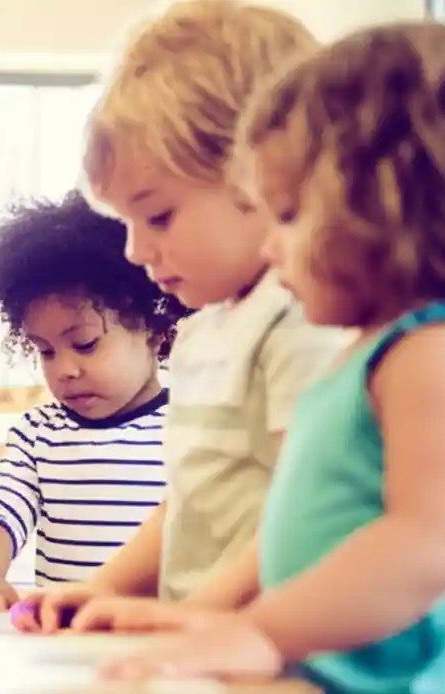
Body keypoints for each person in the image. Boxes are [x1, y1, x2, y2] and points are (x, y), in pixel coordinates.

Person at [100, 22, 445, 694]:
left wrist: (262, 630)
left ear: (383, 206)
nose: (274, 244)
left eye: (287, 214)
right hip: (353, 693)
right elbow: (302, 522)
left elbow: (436, 542)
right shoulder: (367, 354)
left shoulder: (438, 349)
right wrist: (211, 616)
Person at [18, 0, 344, 632]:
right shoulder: (203, 332)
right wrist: (101, 589)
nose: (137, 250)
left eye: (159, 216)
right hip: (206, 646)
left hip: (278, 651)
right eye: (127, 224)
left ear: (266, 177)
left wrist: (198, 618)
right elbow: (184, 508)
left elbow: (306, 514)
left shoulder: (299, 321)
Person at [0, 192, 186, 611]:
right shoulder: (40, 434)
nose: (64, 370)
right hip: (63, 634)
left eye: (85, 344)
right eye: (46, 351)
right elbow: (1, 505)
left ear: (154, 330)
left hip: (155, 634)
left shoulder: (189, 427)